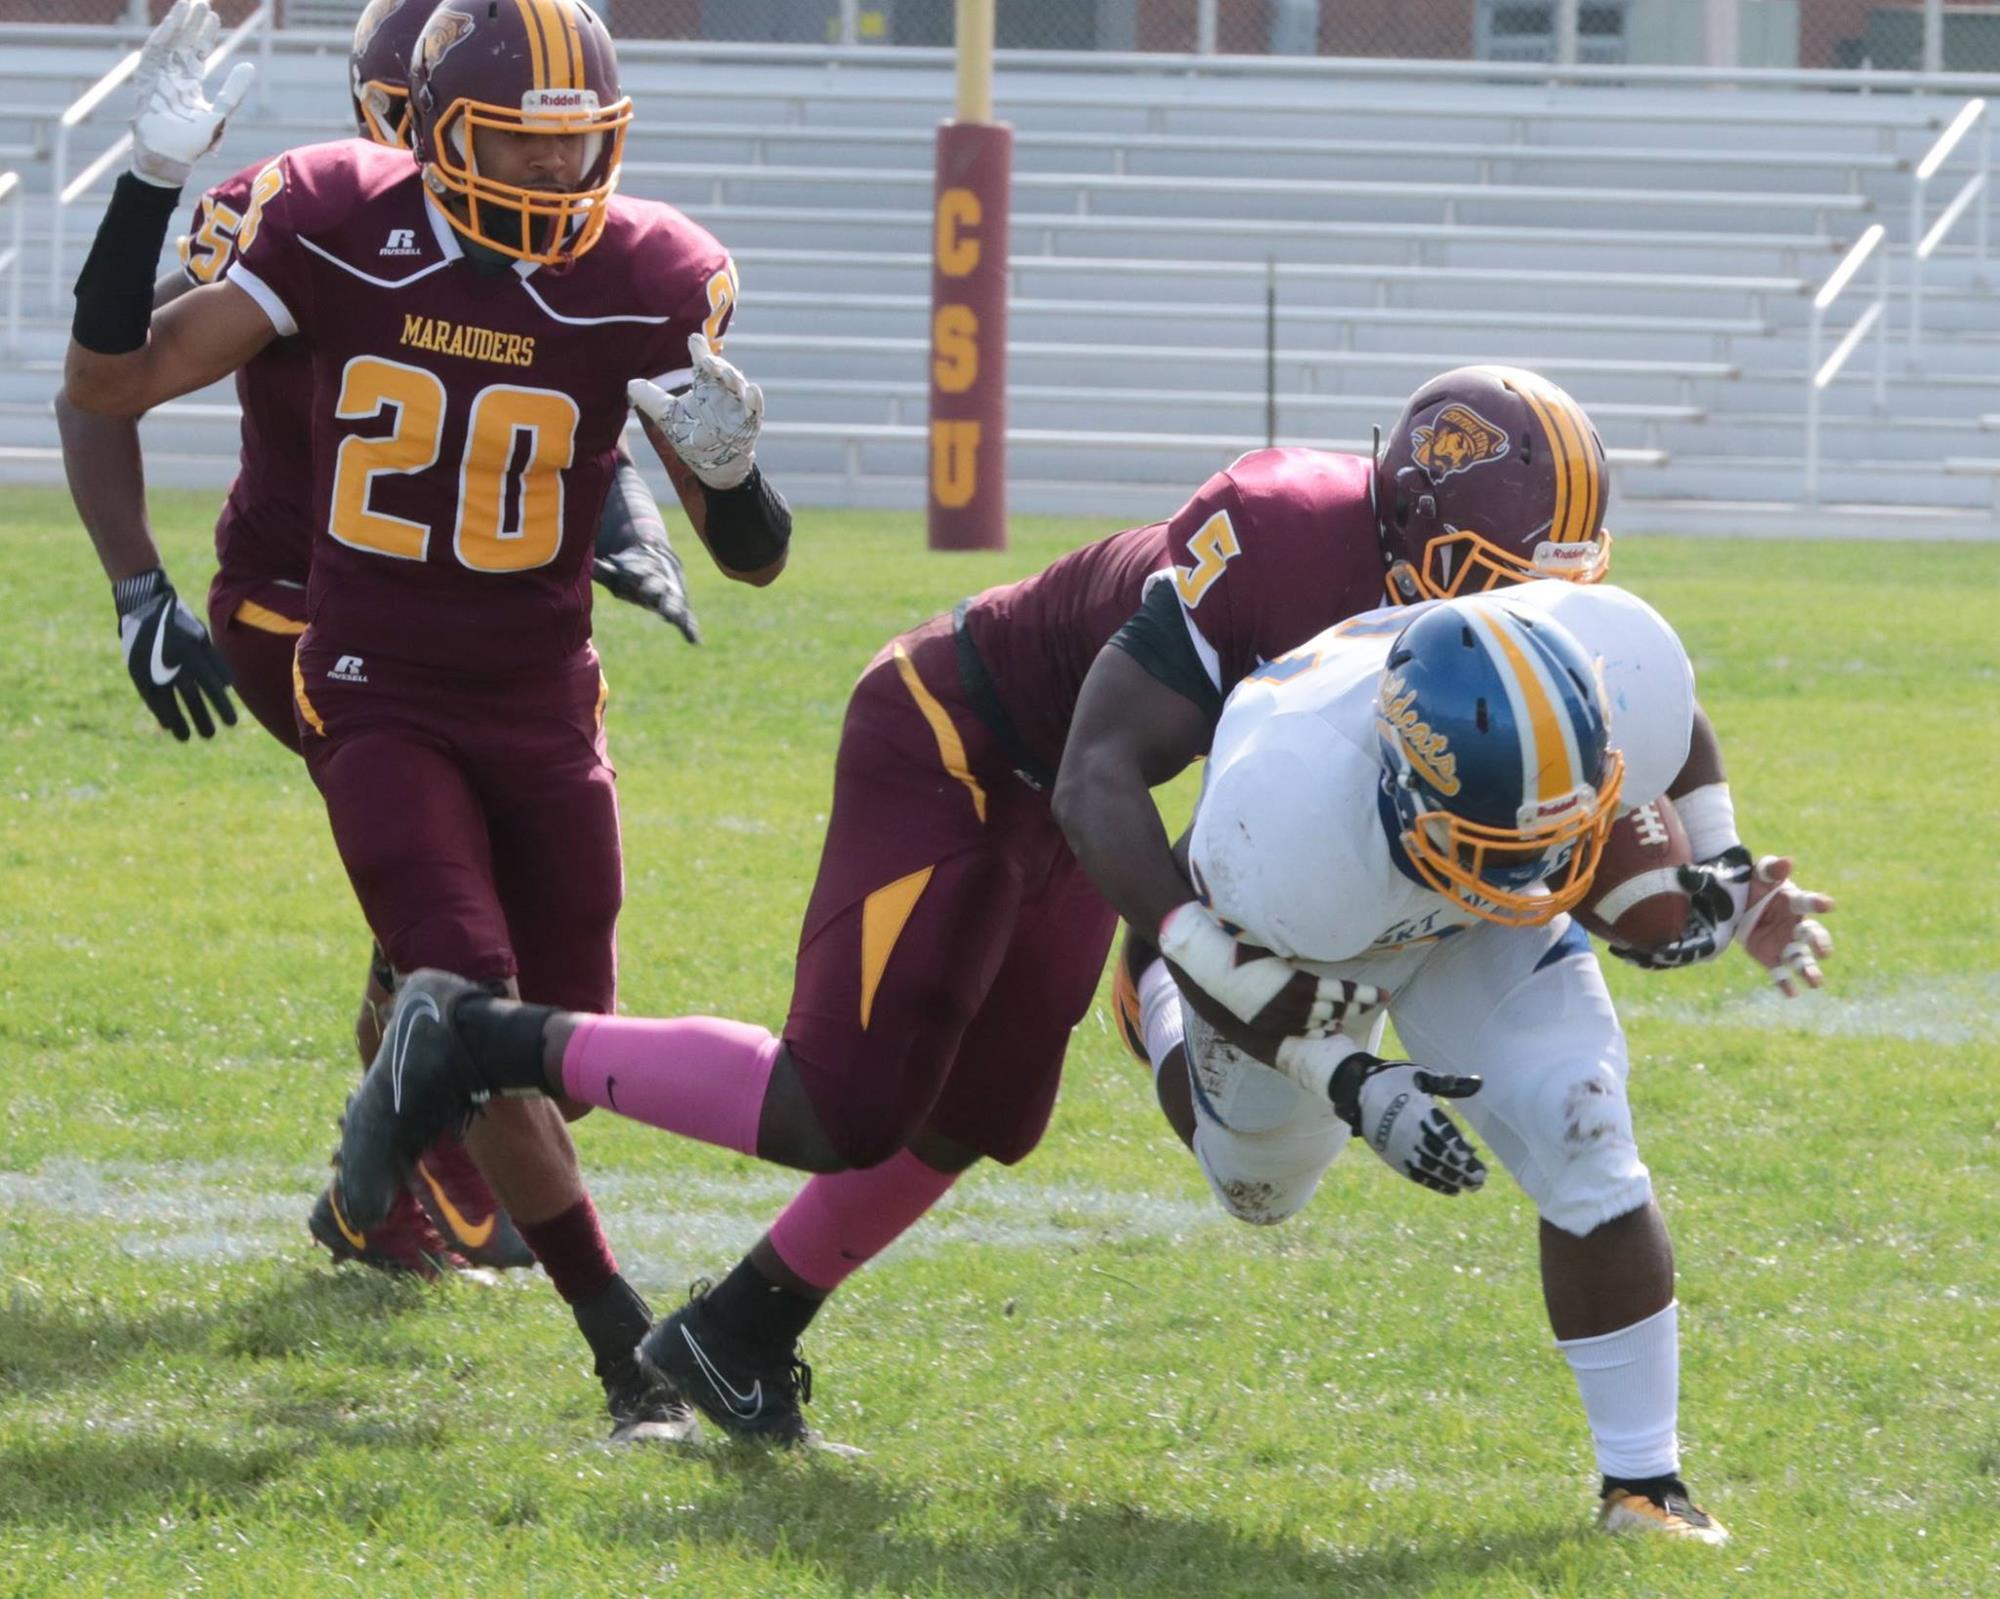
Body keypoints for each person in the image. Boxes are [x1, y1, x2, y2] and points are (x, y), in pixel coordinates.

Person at [326, 364, 1666, 1447]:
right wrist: (1203, 961)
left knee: (989, 1114)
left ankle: (738, 1333)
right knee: (836, 1102)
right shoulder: (1287, 536)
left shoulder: (1454, 626)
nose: (1532, 608)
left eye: (1556, 578)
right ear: (1420, 534)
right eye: (1507, 569)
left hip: (1077, 800)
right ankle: (479, 1038)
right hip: (963, 741)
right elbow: (1102, 778)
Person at [63, 0, 789, 1440]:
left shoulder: (650, 271)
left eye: (576, 151)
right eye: (516, 144)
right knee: (463, 990)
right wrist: (147, 180)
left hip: (542, 701)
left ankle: (397, 1113)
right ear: (437, 134)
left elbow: (754, 555)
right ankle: (623, 1355)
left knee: (550, 1045)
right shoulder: (338, 218)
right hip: (369, 680)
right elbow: (112, 383)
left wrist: (741, 474)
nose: (551, 180)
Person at [1118, 581, 1750, 1540]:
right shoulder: (1282, 823)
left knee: (1582, 1117)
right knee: (1257, 1183)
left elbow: (1675, 715)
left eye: (1556, 839)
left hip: (1465, 913)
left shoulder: (1623, 656)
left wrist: (1722, 859)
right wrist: (1350, 1083)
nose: (1535, 867)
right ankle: (1142, 996)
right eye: (1508, 844)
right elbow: (1228, 971)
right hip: (1304, 935)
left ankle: (1643, 1485)